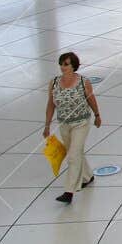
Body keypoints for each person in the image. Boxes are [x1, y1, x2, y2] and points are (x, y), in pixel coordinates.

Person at [43, 51, 101, 204]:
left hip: (81, 123)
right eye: (61, 64)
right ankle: (88, 176)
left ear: (73, 65)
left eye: (66, 64)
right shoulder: (54, 83)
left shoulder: (83, 82)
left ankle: (69, 191)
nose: (63, 67)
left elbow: (91, 99)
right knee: (76, 151)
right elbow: (50, 104)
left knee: (73, 156)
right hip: (64, 124)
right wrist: (47, 124)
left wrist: (97, 115)